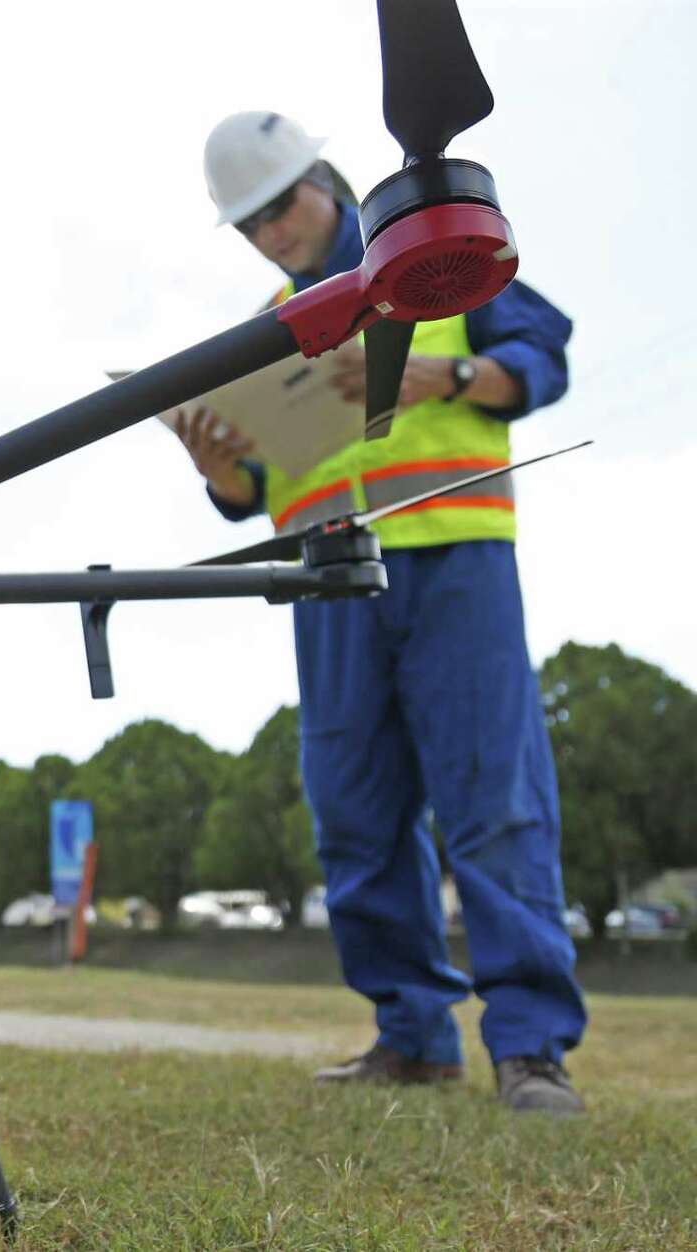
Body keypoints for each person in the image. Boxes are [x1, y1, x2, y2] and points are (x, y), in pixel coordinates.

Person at [176, 112, 586, 1114]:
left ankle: (531, 1049)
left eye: (281, 204)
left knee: (492, 800)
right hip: (330, 581)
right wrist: (223, 475)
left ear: (327, 177)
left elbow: (544, 356)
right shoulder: (265, 329)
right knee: (354, 814)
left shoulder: (431, 264)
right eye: (250, 224)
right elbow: (264, 478)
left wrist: (439, 371)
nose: (272, 232)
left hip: (454, 563)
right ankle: (412, 1035)